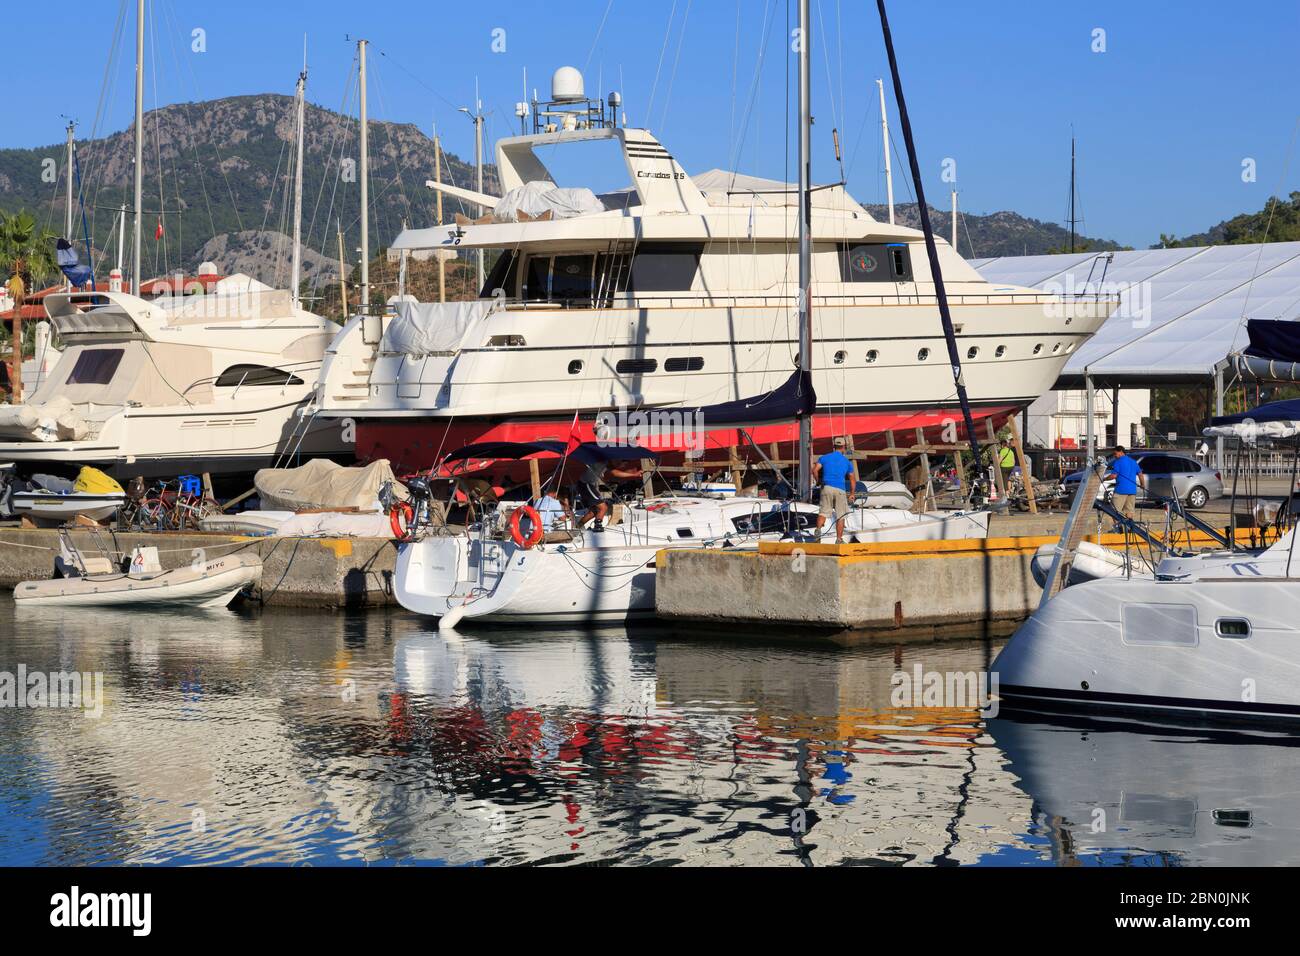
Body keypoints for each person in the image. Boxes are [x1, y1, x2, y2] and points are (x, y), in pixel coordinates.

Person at [575, 458, 642, 531]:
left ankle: (577, 528)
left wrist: (633, 474)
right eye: (621, 463)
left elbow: (615, 472)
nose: (620, 466)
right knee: (603, 508)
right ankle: (597, 528)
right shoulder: (603, 460)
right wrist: (634, 474)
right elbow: (615, 473)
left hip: (586, 485)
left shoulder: (606, 463)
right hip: (585, 484)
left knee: (594, 511)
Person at [813, 437, 856, 543]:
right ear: (843, 447)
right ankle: (839, 539)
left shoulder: (824, 458)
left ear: (834, 446)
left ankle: (818, 532)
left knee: (823, 512)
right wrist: (852, 493)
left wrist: (818, 481)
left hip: (826, 487)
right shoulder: (847, 462)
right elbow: (852, 479)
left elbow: (814, 470)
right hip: (840, 489)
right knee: (840, 515)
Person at [1106, 445, 1145, 522]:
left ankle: (1119, 530)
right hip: (1132, 491)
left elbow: (1114, 476)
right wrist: (1142, 484)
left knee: (1115, 512)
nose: (1114, 456)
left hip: (1121, 490)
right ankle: (1130, 529)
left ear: (1120, 452)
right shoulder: (1133, 462)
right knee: (1129, 512)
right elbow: (1140, 474)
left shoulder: (1118, 462)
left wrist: (1104, 479)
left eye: (1115, 453)